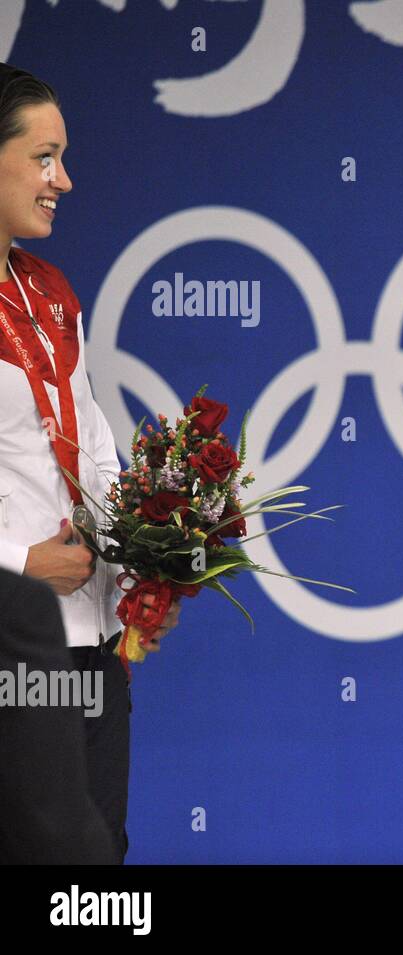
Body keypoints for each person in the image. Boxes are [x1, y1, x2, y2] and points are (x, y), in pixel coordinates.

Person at [0, 63, 182, 863]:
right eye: (44, 157)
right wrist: (17, 565)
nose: (63, 179)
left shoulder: (50, 293)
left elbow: (97, 453)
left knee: (98, 869)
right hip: (11, 648)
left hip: (94, 650)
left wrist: (144, 575)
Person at [0, 566, 117, 864]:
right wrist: (24, 561)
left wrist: (139, 597)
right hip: (24, 638)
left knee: (108, 832)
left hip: (105, 652)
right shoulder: (26, 605)